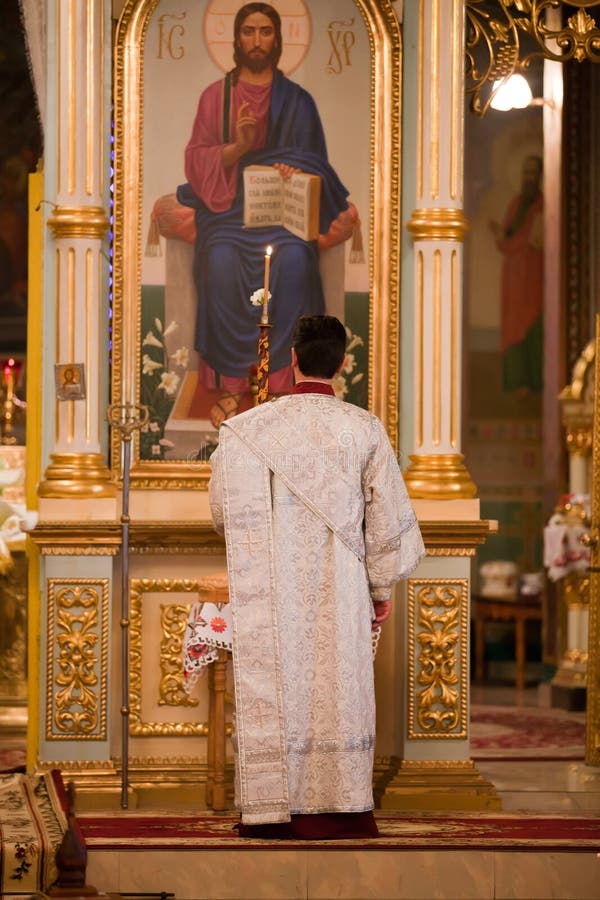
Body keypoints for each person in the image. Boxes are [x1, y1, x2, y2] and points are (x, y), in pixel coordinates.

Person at [208, 314, 425, 839]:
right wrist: (378, 591)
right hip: (343, 590)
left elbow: (221, 512)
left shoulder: (247, 430)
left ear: (292, 360)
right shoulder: (363, 428)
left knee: (282, 686)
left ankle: (272, 811)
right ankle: (343, 807)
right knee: (337, 689)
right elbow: (387, 521)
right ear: (343, 364)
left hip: (272, 590)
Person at [178, 3, 354, 427]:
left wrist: (296, 171)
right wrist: (237, 149)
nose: (257, 41)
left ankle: (281, 386)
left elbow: (320, 167)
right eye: (249, 32)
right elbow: (196, 160)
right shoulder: (214, 98)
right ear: (236, 39)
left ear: (278, 40)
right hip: (228, 216)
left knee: (294, 261)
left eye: (266, 32)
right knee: (219, 261)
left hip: (283, 220)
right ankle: (230, 387)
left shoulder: (299, 102)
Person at [489, 154, 544, 394]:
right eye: (526, 172)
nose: (528, 177)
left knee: (532, 327)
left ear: (540, 176)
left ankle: (536, 383)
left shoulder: (543, 206)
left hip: (535, 277)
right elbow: (506, 241)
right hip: (513, 277)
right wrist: (502, 235)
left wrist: (505, 237)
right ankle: (515, 383)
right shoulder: (515, 203)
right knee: (512, 327)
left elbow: (530, 239)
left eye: (533, 172)